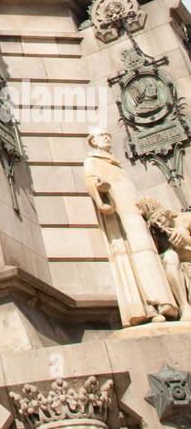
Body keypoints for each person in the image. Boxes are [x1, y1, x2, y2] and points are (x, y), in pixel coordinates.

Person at [83, 129, 179, 325]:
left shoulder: (117, 165)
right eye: (101, 136)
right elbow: (94, 186)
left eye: (108, 135)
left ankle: (164, 301)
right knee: (137, 258)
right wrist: (101, 194)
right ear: (93, 141)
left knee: (148, 255)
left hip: (137, 220)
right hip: (123, 223)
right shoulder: (92, 162)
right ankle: (148, 305)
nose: (107, 138)